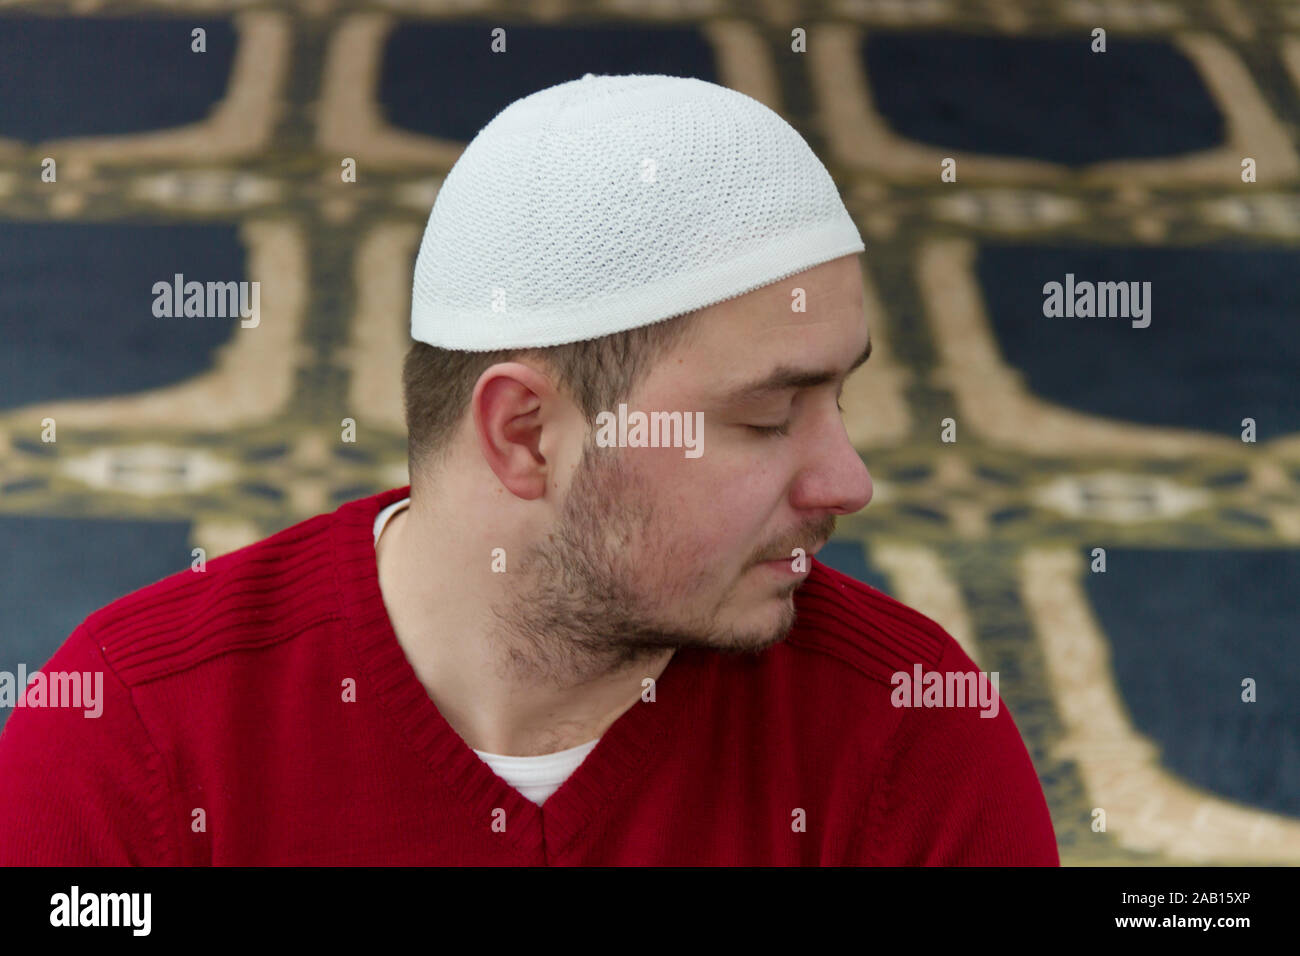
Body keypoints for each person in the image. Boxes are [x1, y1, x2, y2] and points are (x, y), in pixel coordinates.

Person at [0, 74, 1057, 865]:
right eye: (768, 414)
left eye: (839, 399)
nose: (848, 479)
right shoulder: (127, 740)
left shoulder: (915, 740)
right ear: (524, 433)